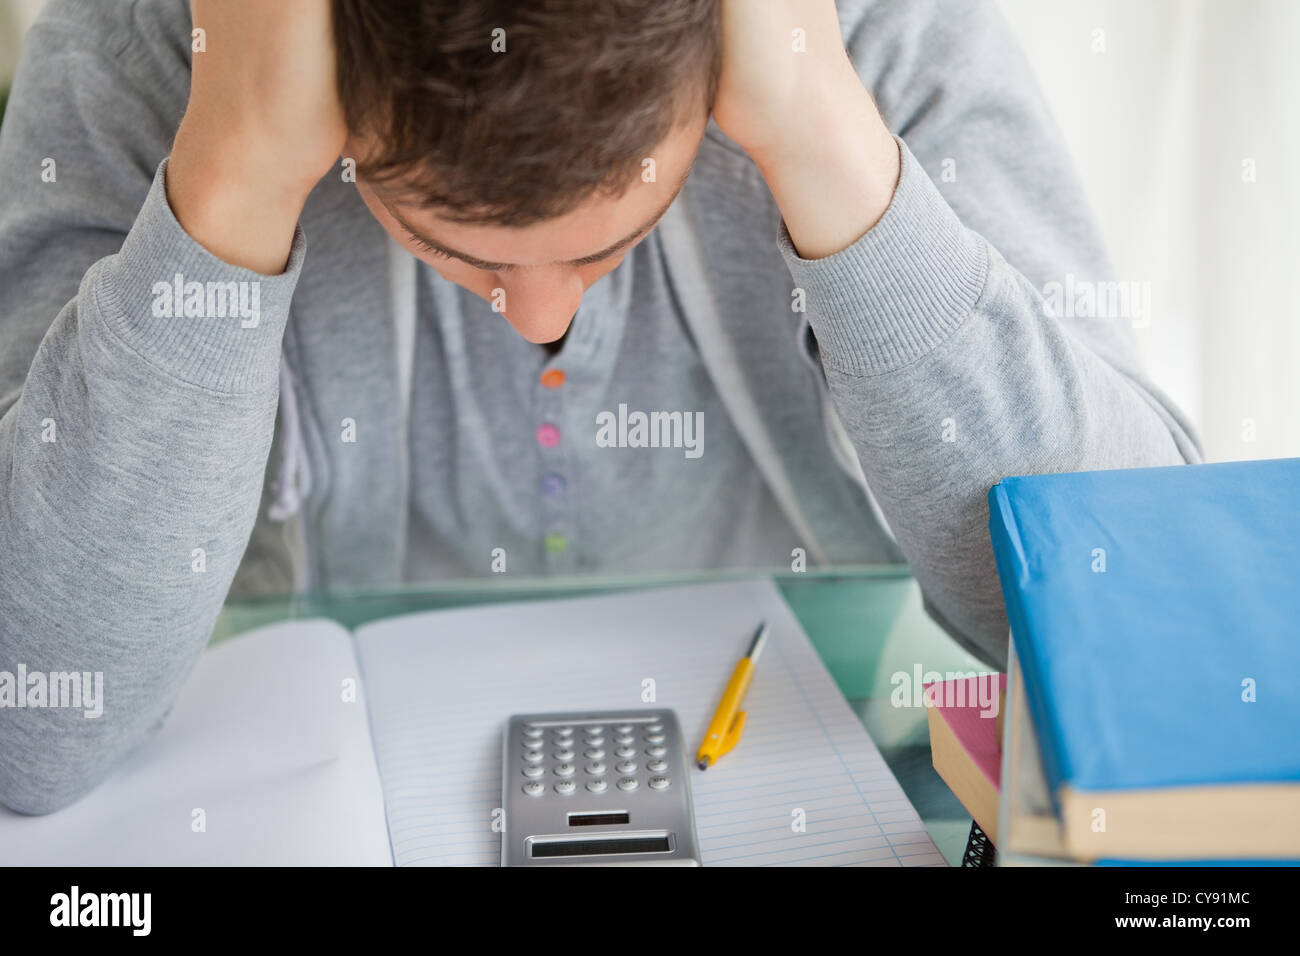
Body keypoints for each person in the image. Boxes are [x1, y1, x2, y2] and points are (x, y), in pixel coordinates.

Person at [0, 0, 1200, 814]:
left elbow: (1148, 636)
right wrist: (235, 170)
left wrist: (829, 147)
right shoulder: (150, 41)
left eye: (611, 240)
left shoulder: (863, 29)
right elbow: (33, 723)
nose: (539, 321)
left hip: (814, 745)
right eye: (442, 241)